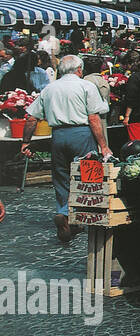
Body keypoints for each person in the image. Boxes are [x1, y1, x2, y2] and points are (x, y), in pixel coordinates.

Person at [20, 54, 111, 243]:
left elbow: (31, 118)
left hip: (59, 136)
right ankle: (84, 215)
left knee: (61, 177)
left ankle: (63, 212)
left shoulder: (49, 88)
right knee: (87, 176)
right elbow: (94, 118)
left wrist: (25, 142)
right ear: (79, 70)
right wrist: (103, 146)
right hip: (82, 134)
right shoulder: (86, 86)